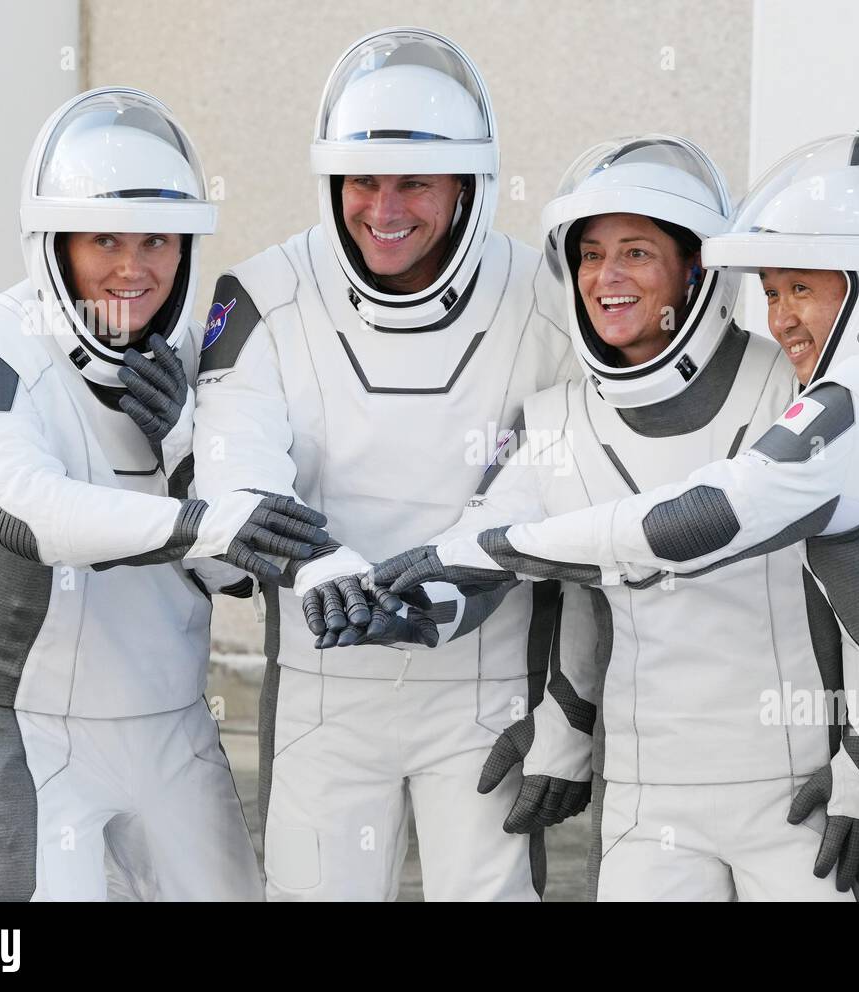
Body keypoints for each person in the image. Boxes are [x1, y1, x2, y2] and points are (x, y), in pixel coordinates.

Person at [373, 129, 859, 901]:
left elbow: (699, 523)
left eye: (805, 289)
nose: (781, 318)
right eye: (774, 292)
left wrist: (503, 549)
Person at [352, 134, 859, 901]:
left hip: (798, 791)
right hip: (649, 799)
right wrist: (393, 603)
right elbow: (492, 553)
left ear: (697, 269)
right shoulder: (552, 421)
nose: (606, 277)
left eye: (637, 253)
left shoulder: (796, 389)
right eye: (590, 255)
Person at [191, 28, 575, 901]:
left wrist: (448, 589)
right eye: (364, 180)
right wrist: (317, 563)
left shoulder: (547, 296)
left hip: (485, 684)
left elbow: (558, 469)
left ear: (469, 185)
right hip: (328, 686)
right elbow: (234, 461)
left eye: (415, 183)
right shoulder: (262, 293)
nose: (385, 208)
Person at [0, 87, 326, 901]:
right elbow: (27, 511)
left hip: (168, 722)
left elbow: (237, 574)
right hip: (15, 723)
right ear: (54, 243)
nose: (132, 269)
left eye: (157, 241)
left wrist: (186, 447)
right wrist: (203, 518)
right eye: (103, 239)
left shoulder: (203, 358)